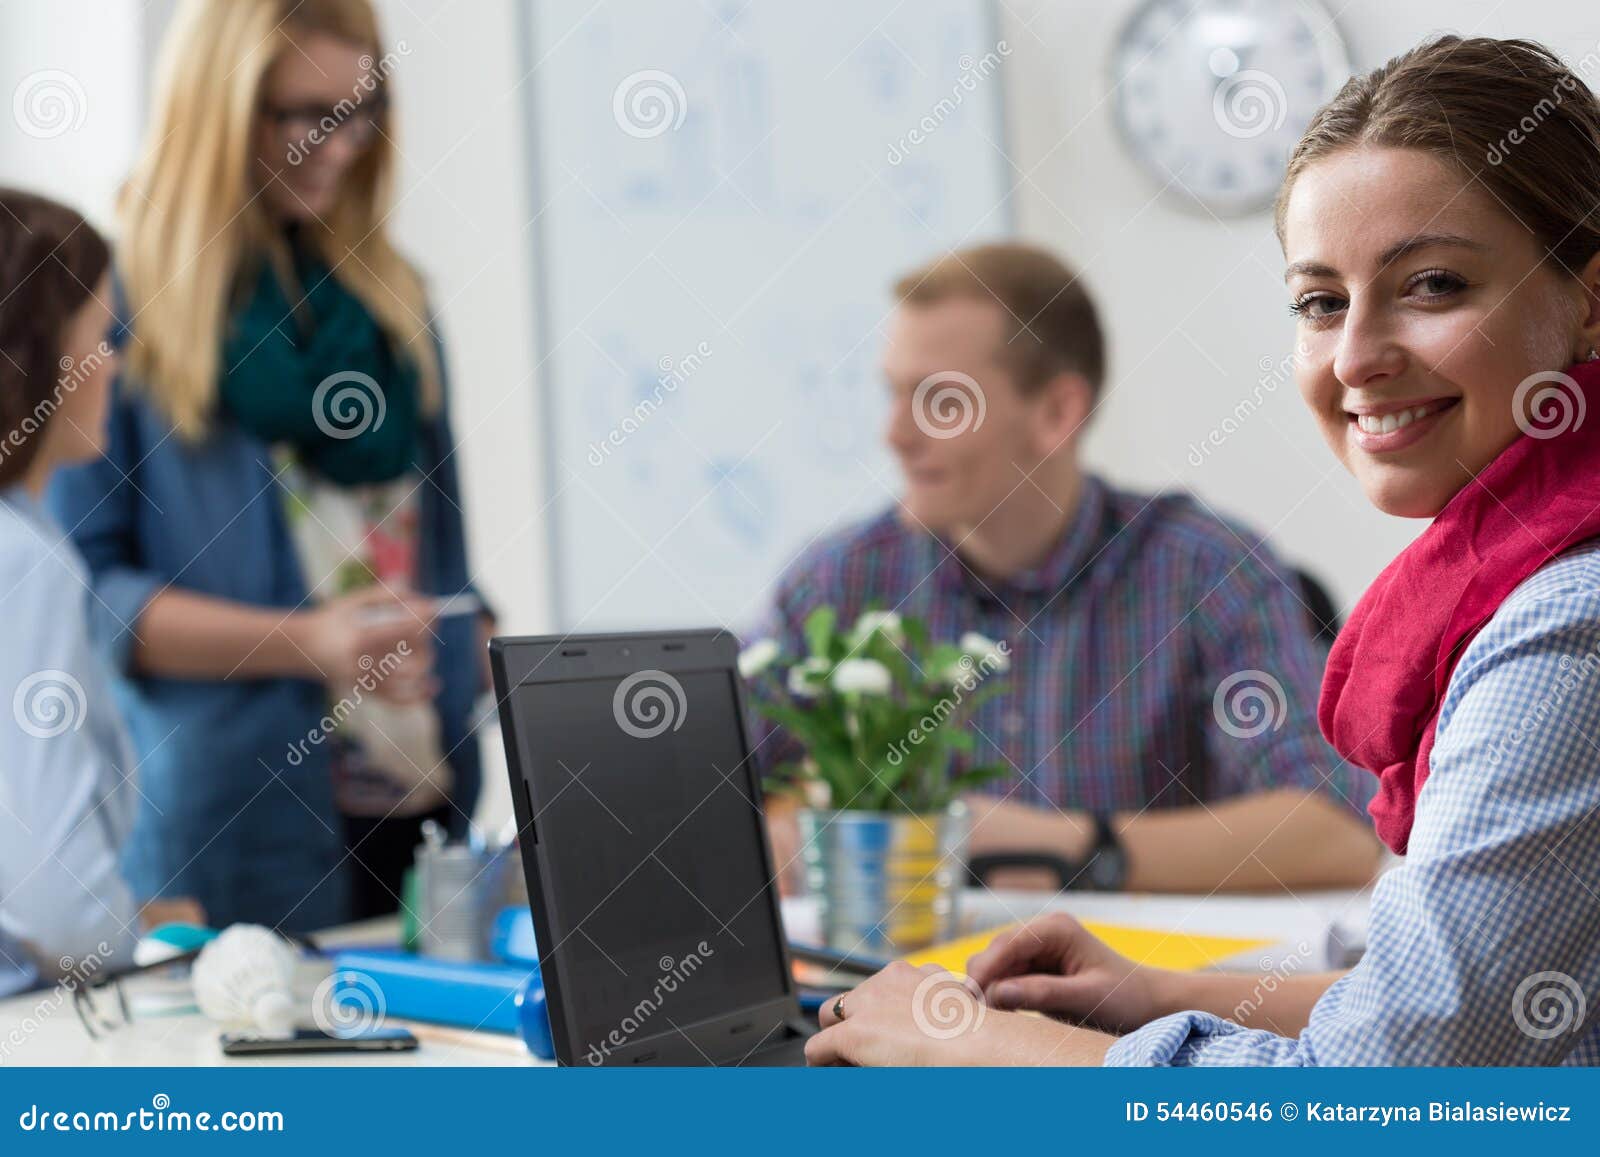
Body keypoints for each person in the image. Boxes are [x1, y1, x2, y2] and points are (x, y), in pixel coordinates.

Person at [803, 35, 1600, 1067]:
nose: (1354, 355)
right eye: (1319, 301)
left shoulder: (1562, 622)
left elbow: (1361, 1107)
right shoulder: (1513, 576)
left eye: (1434, 283)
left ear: (1587, 298)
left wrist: (973, 1044)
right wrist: (1154, 993)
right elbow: (1438, 1002)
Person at [48, 0, 491, 931]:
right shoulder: (117, 313)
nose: (337, 146)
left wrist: (472, 632)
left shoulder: (395, 301)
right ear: (217, 109)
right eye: (301, 115)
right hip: (230, 824)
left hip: (417, 800)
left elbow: (441, 555)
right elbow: (85, 597)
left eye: (359, 113)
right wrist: (310, 642)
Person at [751, 241, 1380, 895]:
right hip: (892, 988)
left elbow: (1337, 830)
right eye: (893, 394)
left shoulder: (1207, 572)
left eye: (936, 401)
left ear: (1056, 413)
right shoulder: (835, 582)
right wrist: (780, 833)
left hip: (1137, 990)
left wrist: (1069, 848)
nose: (894, 434)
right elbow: (703, 792)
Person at [0, 189, 203, 996]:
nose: (114, 363)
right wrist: (136, 926)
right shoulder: (26, 562)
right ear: (35, 356)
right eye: (101, 336)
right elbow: (55, 899)